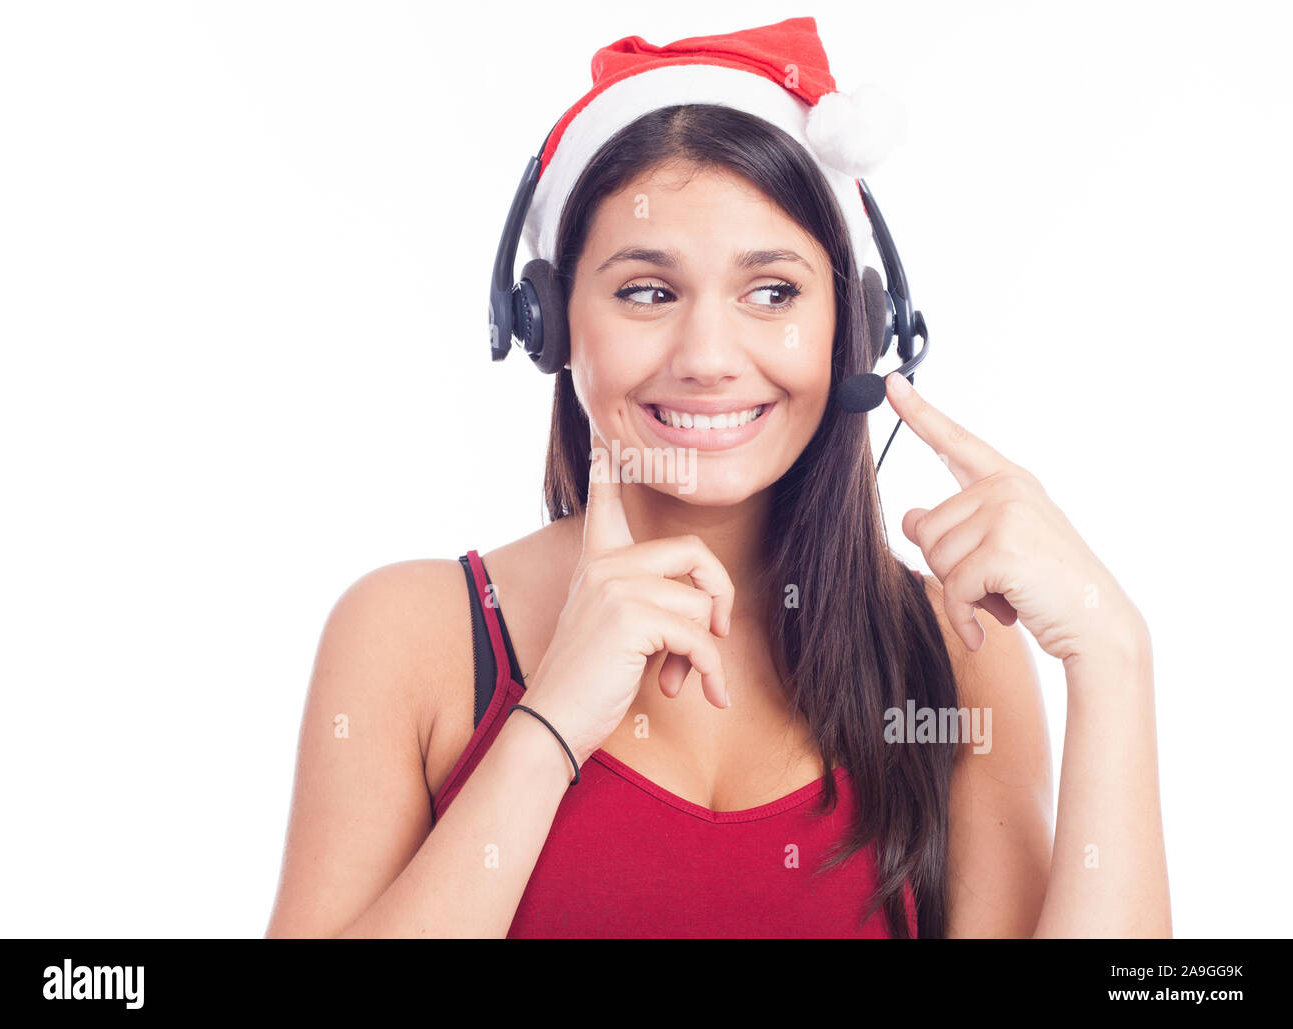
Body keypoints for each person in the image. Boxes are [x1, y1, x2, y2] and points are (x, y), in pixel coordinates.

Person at [265, 16, 1169, 939]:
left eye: (771, 291)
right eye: (647, 291)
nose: (706, 357)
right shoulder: (409, 637)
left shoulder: (954, 652)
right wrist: (552, 722)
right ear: (547, 322)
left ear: (851, 322)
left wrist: (1115, 659)